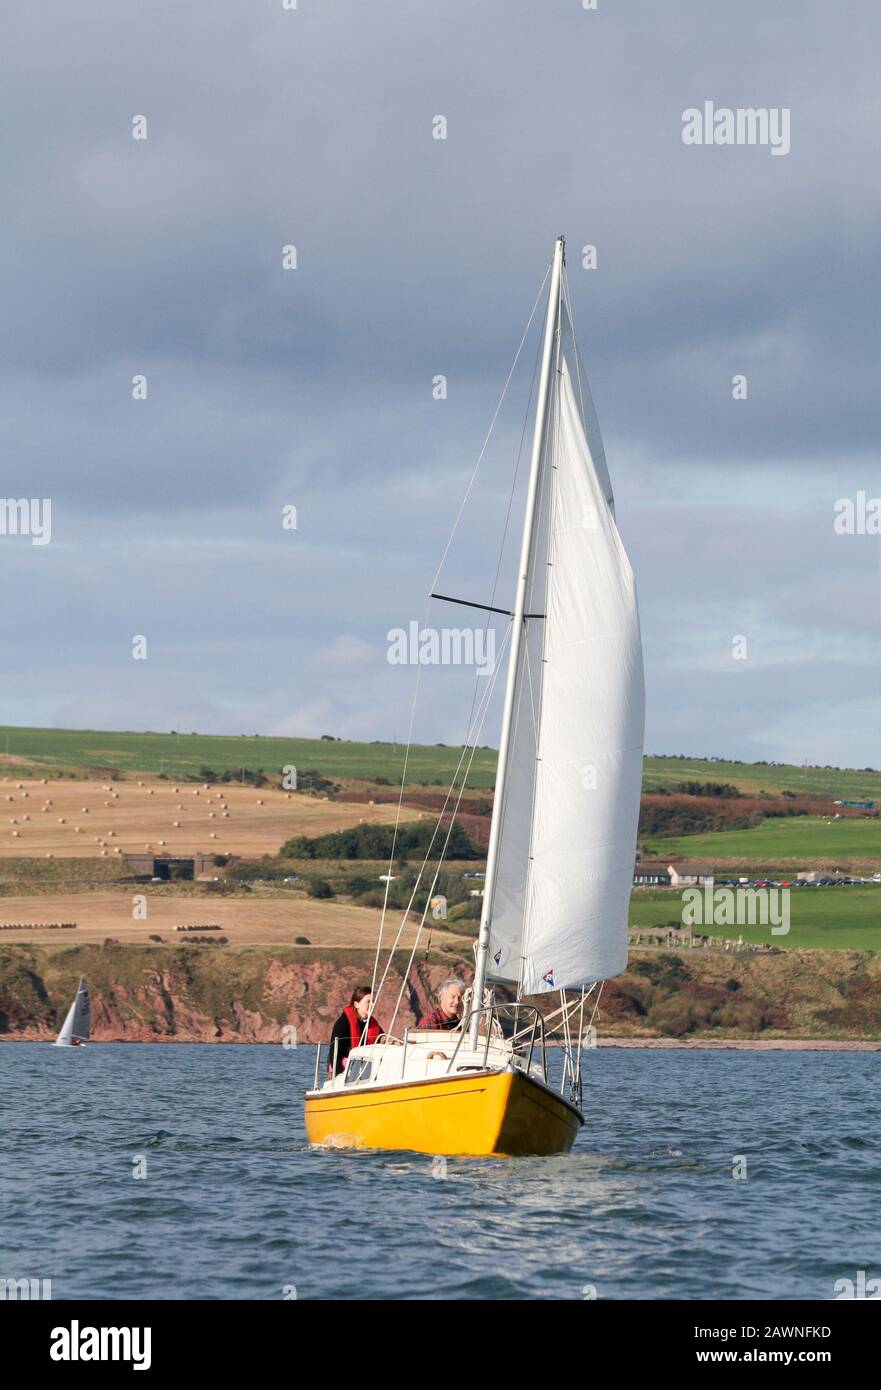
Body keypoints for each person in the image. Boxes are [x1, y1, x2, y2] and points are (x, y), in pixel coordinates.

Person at [328, 986, 383, 1076]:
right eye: (368, 1001)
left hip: (364, 1071)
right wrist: (338, 1076)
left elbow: (383, 1038)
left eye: (373, 1001)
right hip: (342, 1071)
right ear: (356, 1004)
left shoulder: (373, 1025)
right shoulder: (343, 1023)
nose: (372, 1004)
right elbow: (334, 1053)